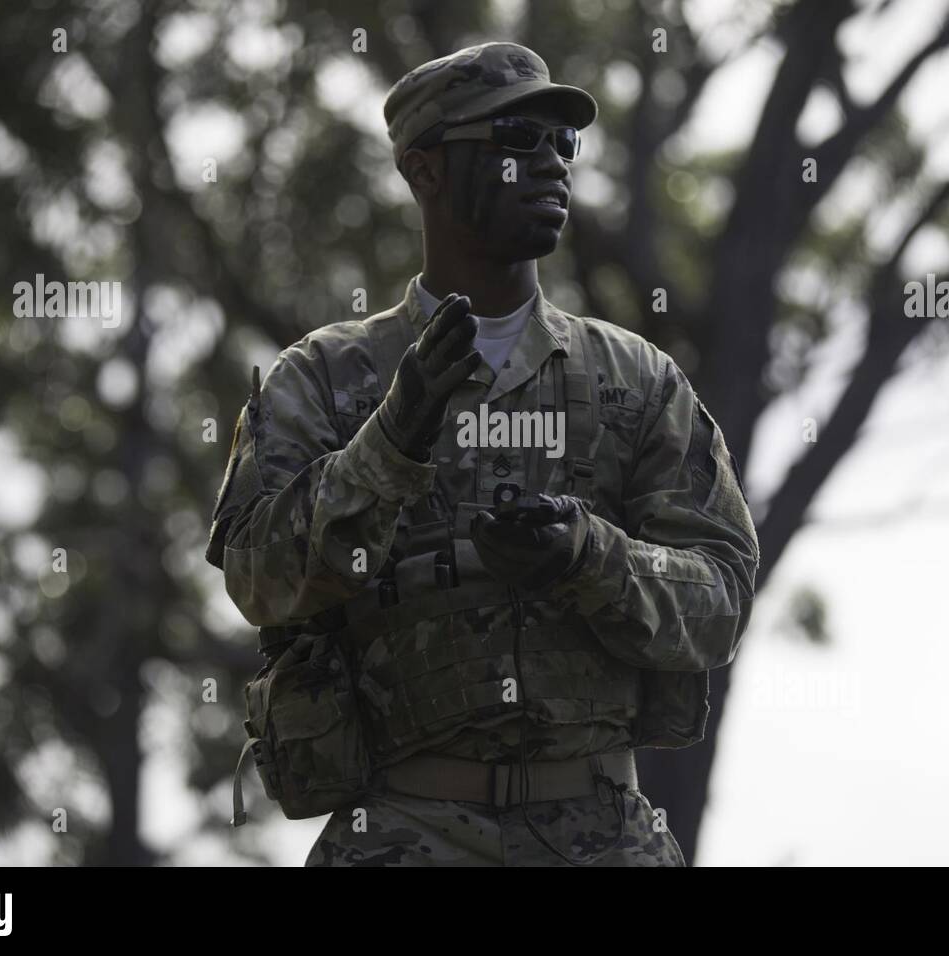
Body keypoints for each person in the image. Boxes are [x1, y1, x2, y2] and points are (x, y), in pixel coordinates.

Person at [206, 41, 759, 867]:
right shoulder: (325, 378)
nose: (549, 163)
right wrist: (391, 444)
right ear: (425, 172)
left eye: (562, 142)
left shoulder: (634, 380)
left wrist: (587, 554)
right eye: (514, 139)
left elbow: (720, 600)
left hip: (601, 836)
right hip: (403, 834)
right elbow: (258, 577)